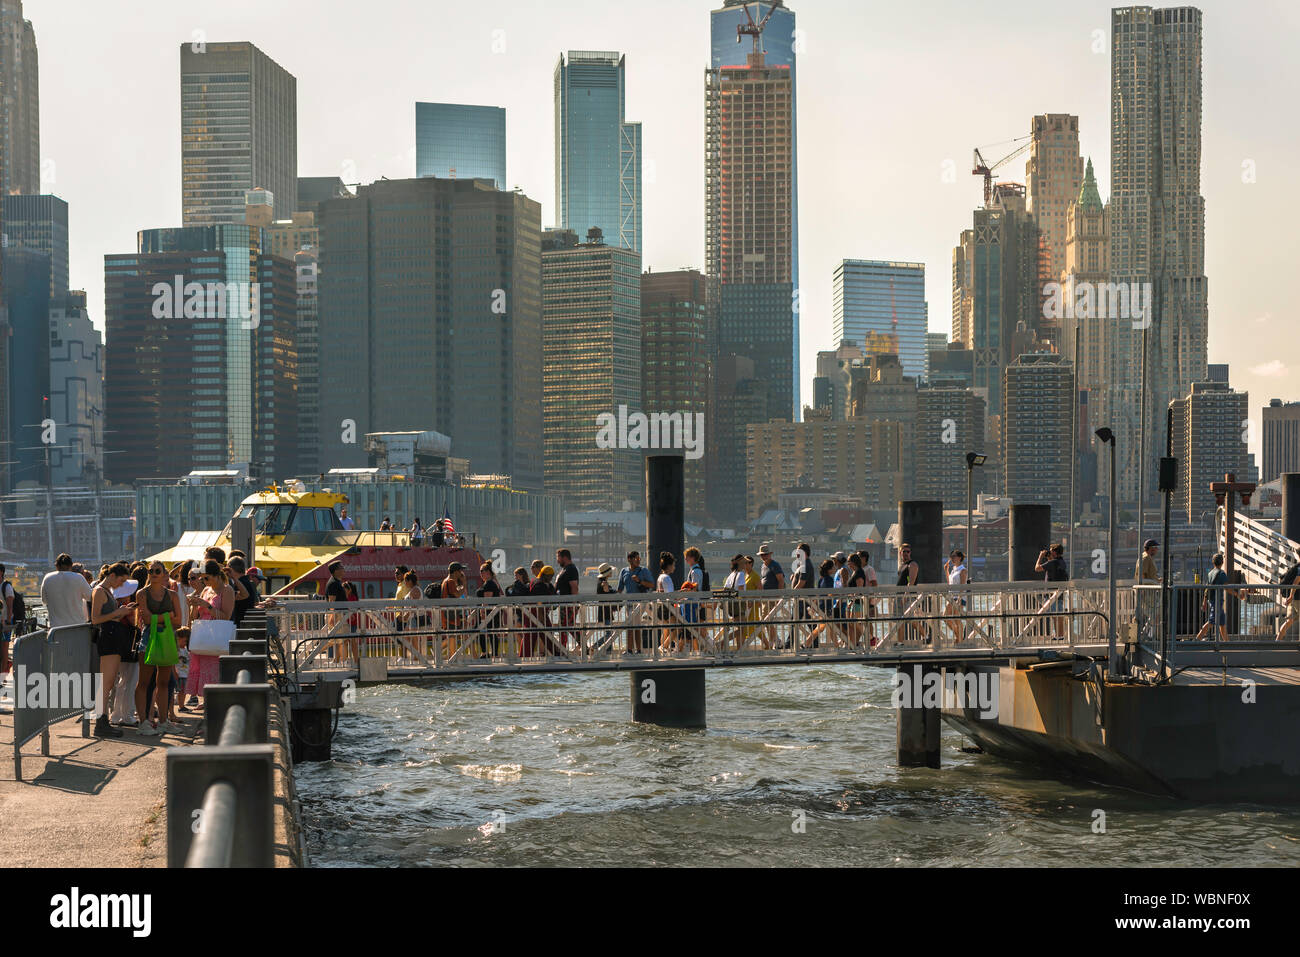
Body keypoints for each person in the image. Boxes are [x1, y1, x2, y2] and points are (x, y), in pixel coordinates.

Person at [134, 561, 183, 736]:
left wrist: (157, 617)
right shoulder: (142, 593)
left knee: (163, 682)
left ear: (164, 574)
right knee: (144, 682)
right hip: (148, 639)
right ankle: (143, 722)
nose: (154, 573)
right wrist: (167, 616)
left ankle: (163, 721)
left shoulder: (172, 595)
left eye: (157, 571)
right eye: (151, 571)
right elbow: (146, 620)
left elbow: (179, 620)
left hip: (167, 638)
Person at [89, 563, 137, 738]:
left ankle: (103, 720)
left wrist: (122, 612)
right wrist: (119, 612)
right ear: (113, 576)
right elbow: (95, 619)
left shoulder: (107, 591)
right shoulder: (100, 591)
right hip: (108, 636)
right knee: (106, 682)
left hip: (113, 636)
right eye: (122, 580)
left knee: (109, 682)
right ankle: (101, 722)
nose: (122, 584)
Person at [186, 560, 235, 704]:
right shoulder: (206, 590)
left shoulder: (227, 590)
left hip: (216, 636)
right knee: (201, 668)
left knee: (213, 669)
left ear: (217, 576)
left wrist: (206, 606)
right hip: (204, 634)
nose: (203, 580)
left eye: (206, 578)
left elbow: (226, 616)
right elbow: (196, 616)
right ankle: (205, 701)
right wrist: (194, 605)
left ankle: (213, 701)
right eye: (202, 578)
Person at [1195, 553, 1242, 642]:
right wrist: (1237, 594)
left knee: (1222, 624)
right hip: (1217, 601)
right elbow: (1227, 588)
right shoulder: (1221, 573)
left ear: (1213, 562)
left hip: (1211, 600)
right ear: (1222, 562)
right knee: (1211, 621)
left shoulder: (1210, 573)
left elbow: (1207, 588)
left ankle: (1227, 643)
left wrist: (1204, 602)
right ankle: (1197, 640)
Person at [40, 553, 93, 629]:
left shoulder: (47, 578)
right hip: (77, 625)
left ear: (56, 566)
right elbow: (90, 597)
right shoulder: (78, 578)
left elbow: (44, 600)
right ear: (71, 566)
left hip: (56, 628)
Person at [1035, 544, 1070, 639]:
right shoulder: (1062, 562)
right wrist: (1049, 558)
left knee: (1055, 616)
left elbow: (1037, 568)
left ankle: (1059, 636)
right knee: (1058, 615)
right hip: (1059, 592)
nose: (1050, 553)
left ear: (1054, 552)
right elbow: (1053, 567)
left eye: (1051, 551)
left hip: (1051, 593)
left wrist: (1040, 557)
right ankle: (1060, 636)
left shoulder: (1053, 562)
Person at [554, 549, 580, 650]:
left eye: (558, 558)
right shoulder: (565, 569)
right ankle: (584, 648)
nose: (557, 561)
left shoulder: (571, 569)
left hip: (569, 604)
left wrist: (573, 604)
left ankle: (562, 650)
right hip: (565, 604)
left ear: (564, 557)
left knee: (564, 627)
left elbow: (574, 586)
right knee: (569, 626)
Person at [944, 549, 970, 643]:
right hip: (952, 596)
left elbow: (962, 585)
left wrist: (959, 597)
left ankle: (959, 639)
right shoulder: (953, 570)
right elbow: (950, 583)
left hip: (959, 597)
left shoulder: (963, 570)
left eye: (954, 556)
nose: (952, 559)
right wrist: (946, 571)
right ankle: (959, 637)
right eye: (951, 557)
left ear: (959, 558)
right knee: (945, 617)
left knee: (956, 618)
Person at [1276, 551, 1300, 641]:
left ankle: (1277, 640)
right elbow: (1296, 582)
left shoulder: (1297, 566)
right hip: (1297, 598)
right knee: (1289, 620)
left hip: (1294, 599)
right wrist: (1290, 596)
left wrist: (1291, 597)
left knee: (1289, 621)